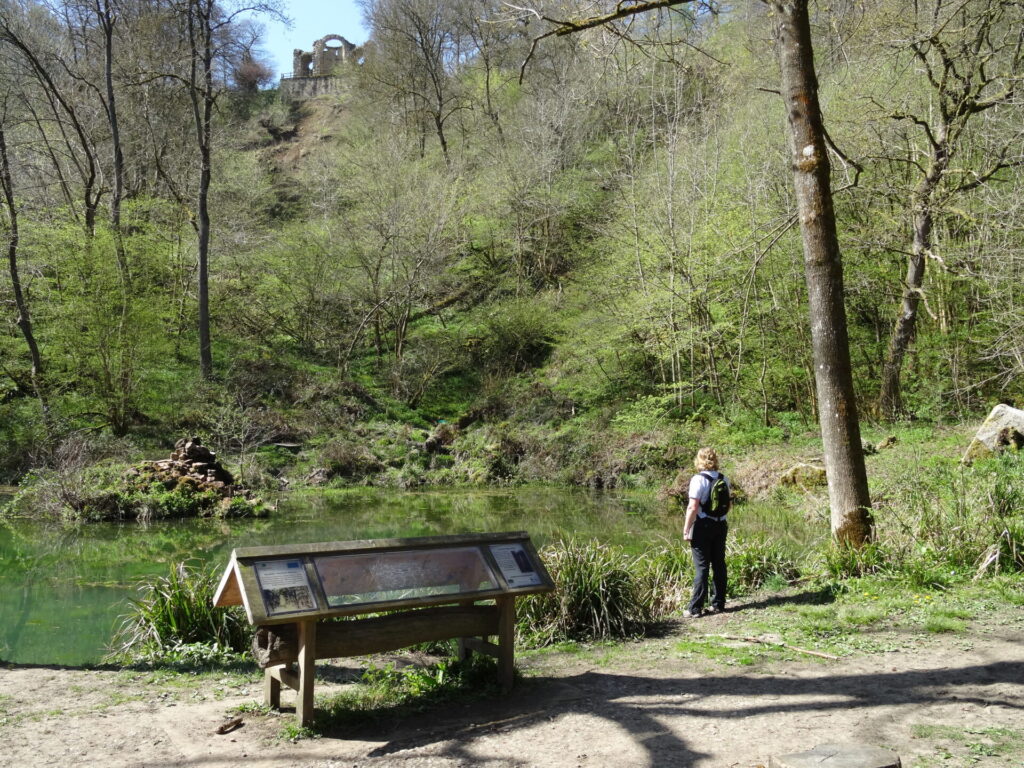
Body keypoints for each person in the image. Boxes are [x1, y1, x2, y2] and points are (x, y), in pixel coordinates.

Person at [671, 447, 730, 618]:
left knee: (702, 567)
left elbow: (692, 506)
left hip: (702, 526)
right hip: (721, 525)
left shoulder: (698, 479)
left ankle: (695, 608)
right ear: (715, 460)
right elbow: (728, 505)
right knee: (719, 564)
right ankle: (718, 604)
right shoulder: (724, 479)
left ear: (699, 460)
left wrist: (687, 528)